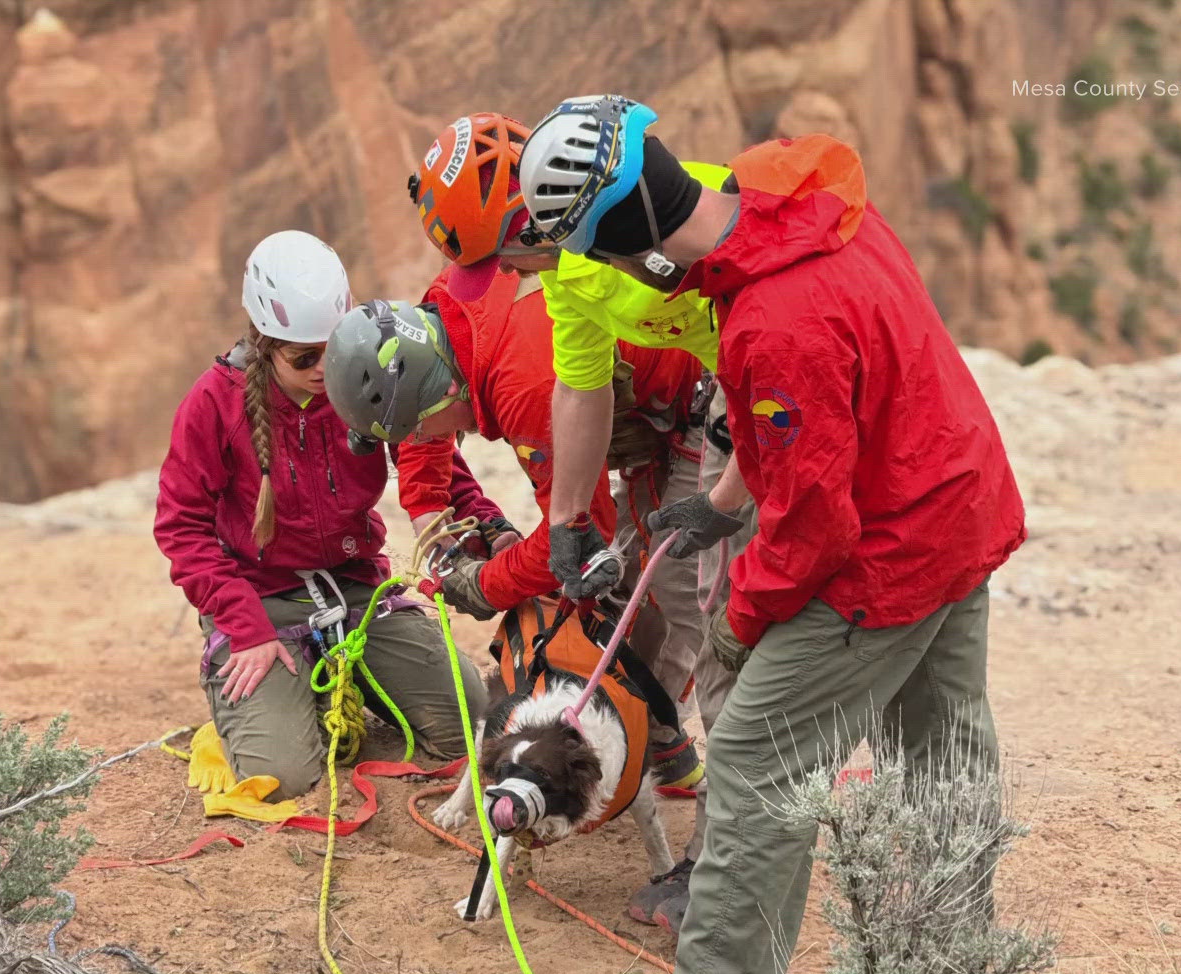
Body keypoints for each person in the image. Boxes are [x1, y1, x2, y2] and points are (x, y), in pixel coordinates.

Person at [516, 96, 1027, 974]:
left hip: (893, 551)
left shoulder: (770, 322)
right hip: (961, 500)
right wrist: (714, 515)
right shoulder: (799, 196)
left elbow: (813, 531)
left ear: (636, 245)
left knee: (754, 753)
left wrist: (739, 623)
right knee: (942, 753)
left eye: (605, 256)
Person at [404, 113, 747, 926]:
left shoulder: (523, 360)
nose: (503, 278)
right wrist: (461, 527)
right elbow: (573, 406)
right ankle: (646, 749)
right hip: (666, 409)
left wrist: (495, 576)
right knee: (636, 595)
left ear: (531, 225)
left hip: (717, 402)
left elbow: (586, 523)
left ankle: (712, 849)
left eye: (505, 260)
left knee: (709, 616)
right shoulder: (531, 277)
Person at [320, 272, 707, 791]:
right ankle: (616, 722)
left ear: (445, 397)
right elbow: (415, 421)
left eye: (415, 429)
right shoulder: (443, 315)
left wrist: (484, 584)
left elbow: (579, 537)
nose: (415, 441)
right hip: (626, 403)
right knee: (596, 585)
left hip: (691, 405)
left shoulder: (525, 385)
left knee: (659, 581)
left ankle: (654, 743)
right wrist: (441, 528)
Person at [153, 230, 498, 803]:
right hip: (260, 602)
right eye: (303, 358)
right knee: (284, 779)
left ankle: (348, 673)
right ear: (265, 344)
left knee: (472, 724)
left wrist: (485, 522)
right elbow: (179, 529)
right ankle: (264, 699)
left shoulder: (367, 369)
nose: (322, 369)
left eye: (329, 348)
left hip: (357, 591)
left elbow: (430, 452)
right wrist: (244, 628)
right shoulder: (213, 404)